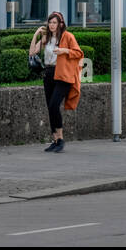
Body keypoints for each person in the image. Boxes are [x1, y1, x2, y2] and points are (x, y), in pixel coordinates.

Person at [29, 12, 85, 152]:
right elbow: (32, 53)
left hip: (63, 75)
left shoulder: (68, 36)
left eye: (54, 23)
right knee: (50, 107)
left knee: (54, 105)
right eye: (50, 22)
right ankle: (54, 140)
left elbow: (79, 53)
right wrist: (36, 34)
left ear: (60, 24)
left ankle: (60, 139)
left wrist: (64, 51)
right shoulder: (46, 38)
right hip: (48, 74)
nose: (51, 25)